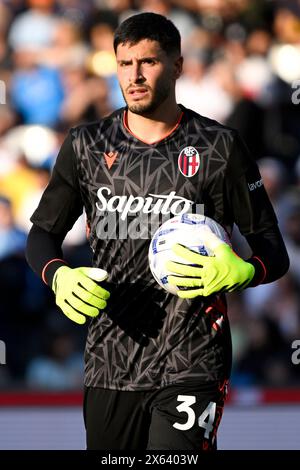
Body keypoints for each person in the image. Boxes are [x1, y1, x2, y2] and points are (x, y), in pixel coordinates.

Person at [26, 12, 289, 451]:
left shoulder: (219, 146)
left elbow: (272, 248)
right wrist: (59, 275)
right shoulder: (86, 144)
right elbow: (41, 237)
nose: (135, 76)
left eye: (148, 62)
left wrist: (245, 271)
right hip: (109, 360)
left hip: (193, 359)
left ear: (178, 66)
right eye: (125, 64)